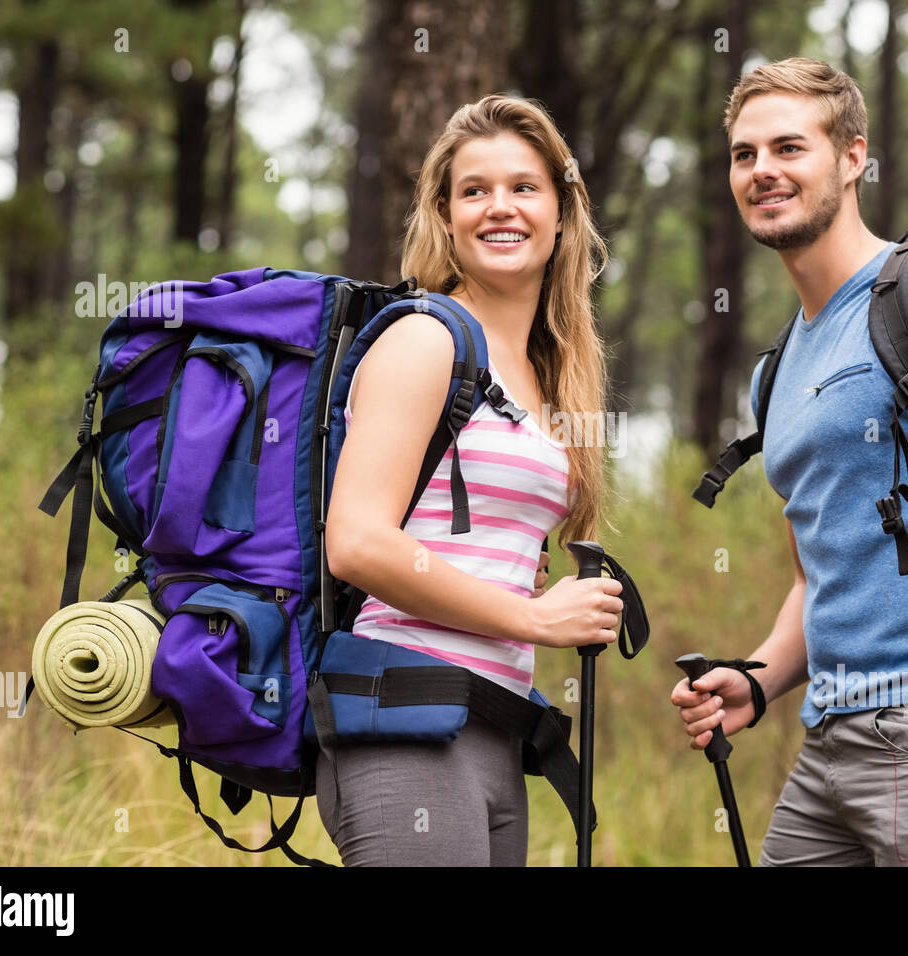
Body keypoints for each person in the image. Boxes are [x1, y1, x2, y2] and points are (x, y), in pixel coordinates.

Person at [671, 57, 908, 866]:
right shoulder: (775, 372)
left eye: (788, 147)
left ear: (852, 159)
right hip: (830, 744)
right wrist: (758, 680)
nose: (763, 170)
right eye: (744, 154)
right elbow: (819, 575)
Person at [322, 94, 623, 866]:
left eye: (524, 187)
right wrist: (536, 619)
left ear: (561, 211)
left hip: (491, 726)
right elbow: (355, 544)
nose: (501, 208)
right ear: (446, 217)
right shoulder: (426, 339)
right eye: (475, 190)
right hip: (404, 720)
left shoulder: (543, 372)